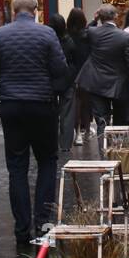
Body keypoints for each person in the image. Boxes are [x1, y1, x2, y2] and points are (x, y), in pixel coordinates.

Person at [0, 0, 70, 246]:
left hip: (12, 106)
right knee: (47, 161)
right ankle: (43, 223)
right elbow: (60, 70)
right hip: (41, 106)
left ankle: (22, 229)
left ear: (13, 11)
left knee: (17, 168)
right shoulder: (47, 34)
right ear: (35, 9)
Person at [77, 5, 129, 139]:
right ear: (115, 16)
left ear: (100, 17)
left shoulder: (93, 32)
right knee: (120, 120)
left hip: (96, 82)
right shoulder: (125, 36)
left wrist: (94, 20)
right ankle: (117, 152)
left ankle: (103, 155)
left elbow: (81, 34)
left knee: (102, 121)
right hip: (118, 84)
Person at [49, 13, 77, 154]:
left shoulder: (48, 41)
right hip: (67, 81)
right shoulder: (69, 42)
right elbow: (74, 62)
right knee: (67, 113)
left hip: (51, 81)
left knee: (51, 113)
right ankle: (65, 144)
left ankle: (51, 142)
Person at [67, 8, 91, 146]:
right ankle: (86, 130)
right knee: (86, 104)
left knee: (76, 104)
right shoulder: (87, 36)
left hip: (72, 73)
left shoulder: (67, 35)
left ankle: (77, 133)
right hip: (86, 73)